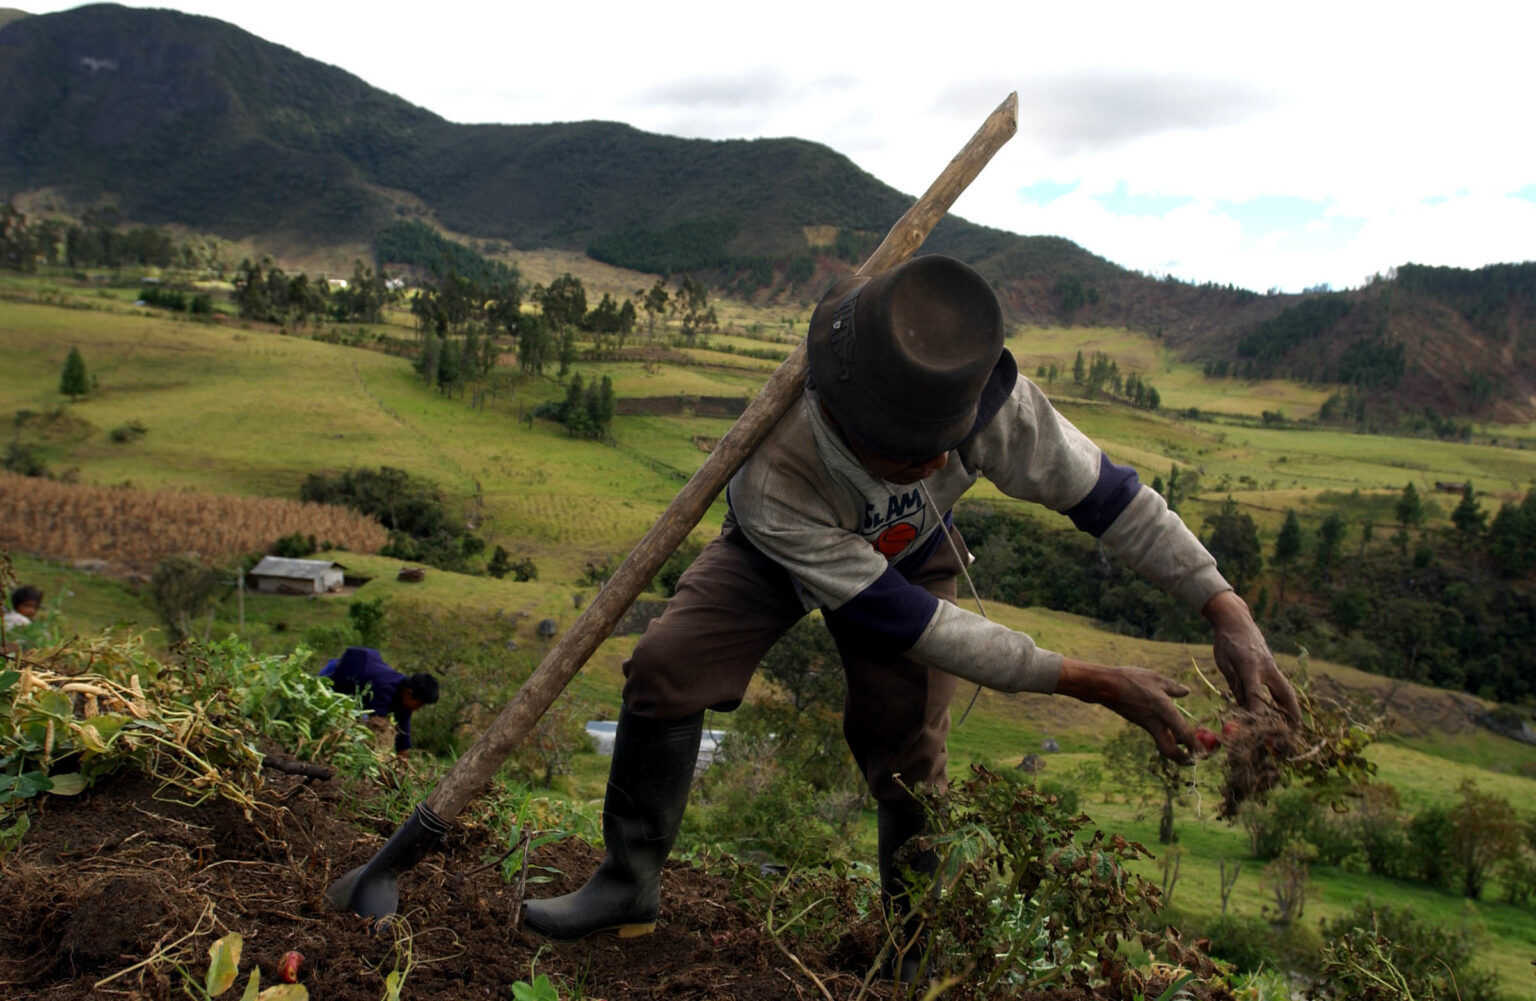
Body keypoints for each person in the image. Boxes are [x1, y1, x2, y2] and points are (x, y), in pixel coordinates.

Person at [522, 255, 1302, 955]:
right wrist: (1094, 680)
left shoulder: (980, 397)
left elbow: (1112, 499)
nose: (938, 459)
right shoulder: (776, 475)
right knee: (667, 666)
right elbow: (909, 622)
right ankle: (629, 883)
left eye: (946, 442)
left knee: (908, 751)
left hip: (912, 546)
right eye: (910, 451)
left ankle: (915, 941)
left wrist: (1225, 608)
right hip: (782, 555)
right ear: (846, 420)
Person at [318, 646, 439, 755]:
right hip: (332, 675)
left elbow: (404, 731)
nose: (417, 709)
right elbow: (375, 728)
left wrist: (404, 760)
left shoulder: (404, 697)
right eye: (418, 705)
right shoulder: (384, 689)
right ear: (408, 693)